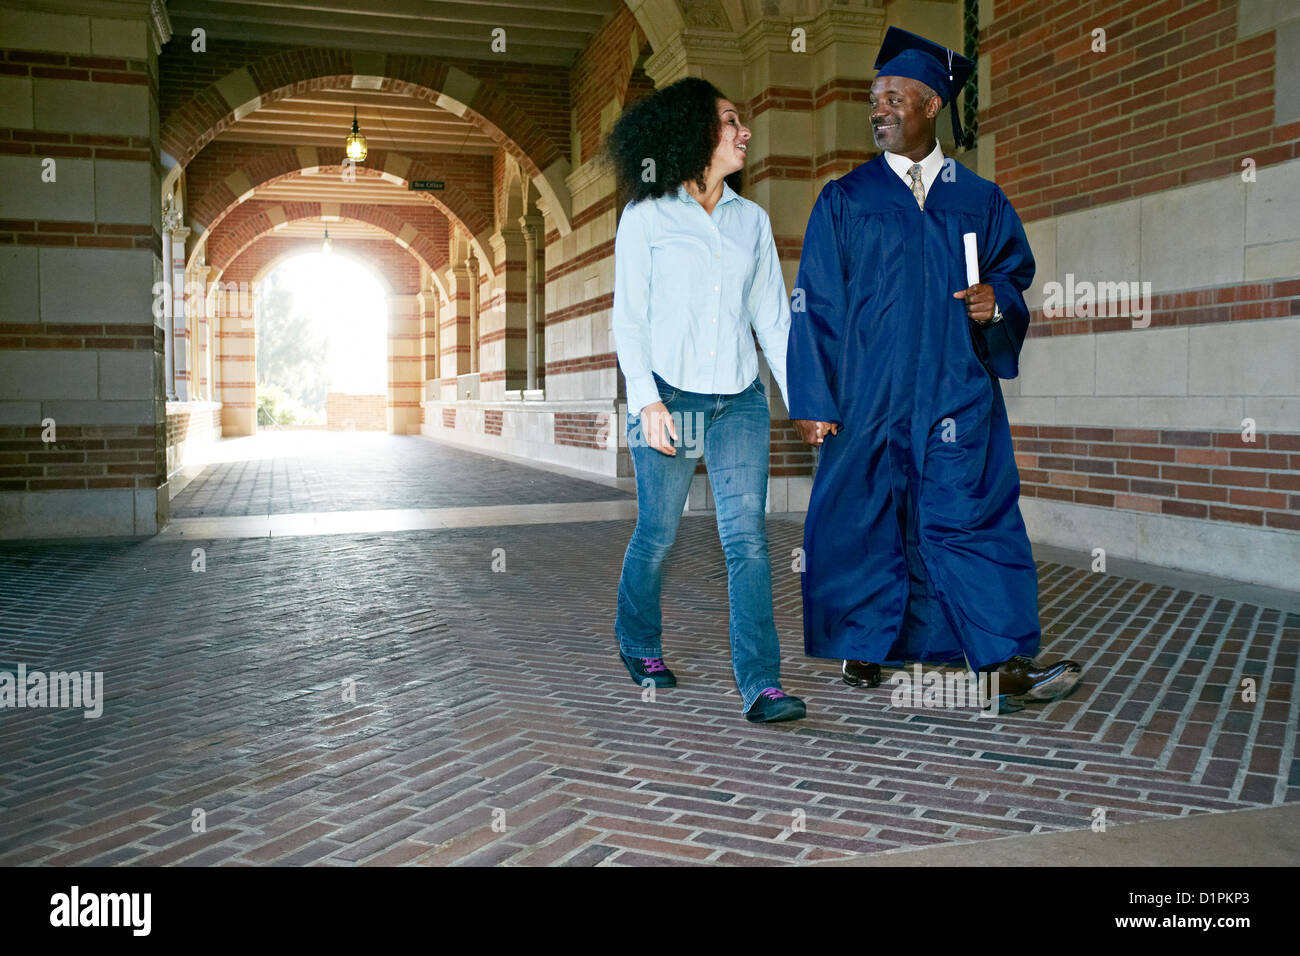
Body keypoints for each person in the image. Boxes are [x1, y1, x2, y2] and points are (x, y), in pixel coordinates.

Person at [786, 28, 1083, 712]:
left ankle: (1007, 666)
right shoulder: (846, 199)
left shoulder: (978, 199)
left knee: (972, 519)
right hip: (867, 399)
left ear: (930, 106)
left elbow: (1014, 275)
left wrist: (996, 303)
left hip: (955, 394)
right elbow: (815, 304)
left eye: (894, 97)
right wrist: (813, 395)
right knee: (869, 520)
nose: (879, 109)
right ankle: (869, 645)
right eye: (874, 98)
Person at [605, 77, 806, 723]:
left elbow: (773, 321)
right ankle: (638, 641)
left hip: (739, 401)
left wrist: (804, 400)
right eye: (729, 122)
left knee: (746, 537)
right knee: (658, 533)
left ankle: (761, 684)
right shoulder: (647, 216)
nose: (744, 132)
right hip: (668, 397)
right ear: (692, 132)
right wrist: (647, 403)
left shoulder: (752, 220)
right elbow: (628, 320)